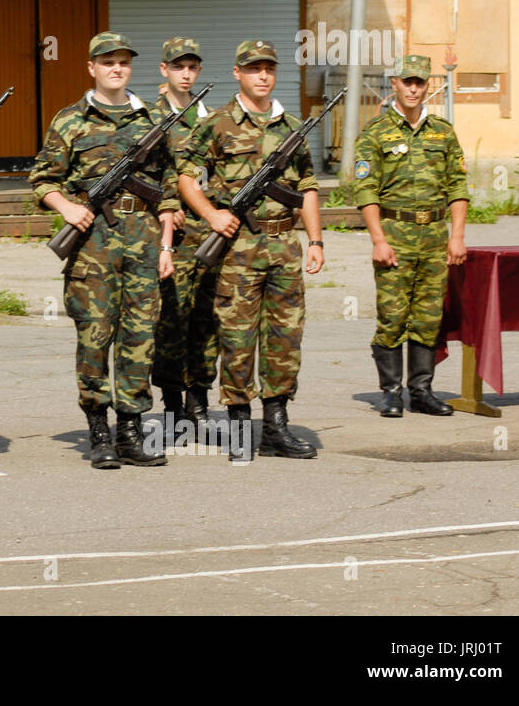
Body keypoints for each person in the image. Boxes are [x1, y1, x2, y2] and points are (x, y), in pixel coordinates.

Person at [30, 32, 177, 469]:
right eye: (107, 62)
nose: (116, 68)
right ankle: (99, 432)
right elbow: (42, 178)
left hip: (144, 244)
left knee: (139, 338)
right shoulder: (70, 120)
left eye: (123, 62)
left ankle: (131, 431)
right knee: (95, 337)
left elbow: (168, 188)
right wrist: (67, 208)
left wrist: (167, 244)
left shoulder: (153, 119)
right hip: (92, 244)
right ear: (91, 67)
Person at [178, 39, 324, 460]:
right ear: (238, 73)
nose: (263, 75)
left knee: (284, 338)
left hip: (284, 245)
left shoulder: (291, 127)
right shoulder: (217, 123)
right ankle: (241, 427)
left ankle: (276, 427)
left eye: (269, 68)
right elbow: (186, 177)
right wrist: (211, 215)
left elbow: (307, 188)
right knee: (237, 338)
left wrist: (314, 240)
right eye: (253, 68)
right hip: (238, 248)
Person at [353, 54, 467, 417]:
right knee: (392, 316)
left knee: (429, 316)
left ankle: (421, 390)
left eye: (419, 82)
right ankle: (390, 392)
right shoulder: (375, 133)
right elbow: (366, 189)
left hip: (434, 236)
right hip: (395, 235)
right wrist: (378, 240)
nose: (414, 88)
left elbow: (458, 186)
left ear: (427, 85)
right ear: (395, 85)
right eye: (407, 82)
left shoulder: (443, 132)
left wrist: (457, 236)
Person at [148, 37, 218, 438]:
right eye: (178, 67)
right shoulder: (149, 119)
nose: (186, 74)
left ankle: (199, 401)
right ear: (164, 71)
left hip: (208, 232)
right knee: (171, 321)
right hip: (171, 232)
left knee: (205, 321)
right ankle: (172, 404)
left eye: (192, 67)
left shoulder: (211, 117)